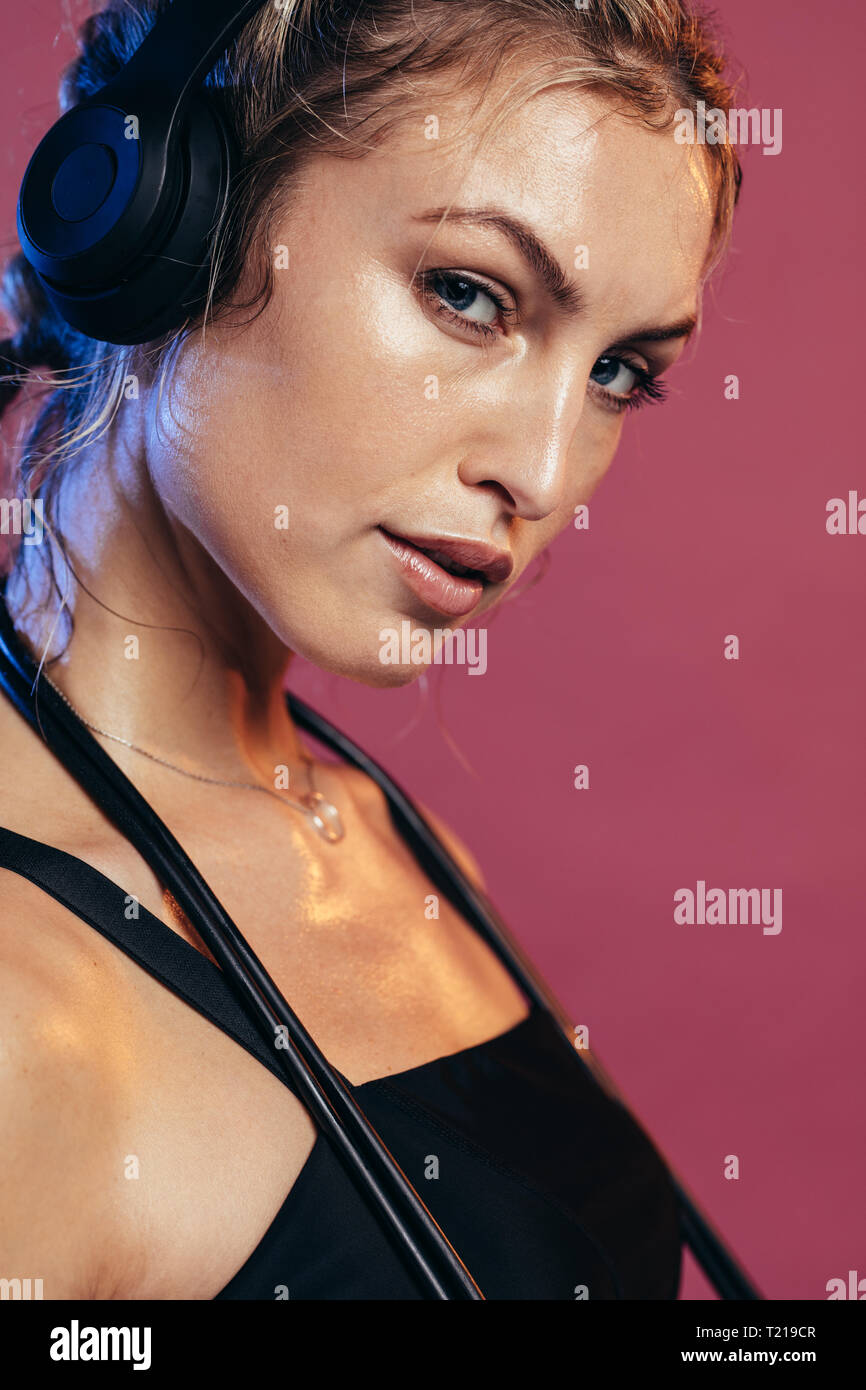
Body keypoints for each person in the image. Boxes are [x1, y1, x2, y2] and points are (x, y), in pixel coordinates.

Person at [0, 0, 741, 1299]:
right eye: (468, 294)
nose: (545, 469)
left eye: (619, 371)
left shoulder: (392, 842)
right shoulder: (22, 1011)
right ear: (170, 220)